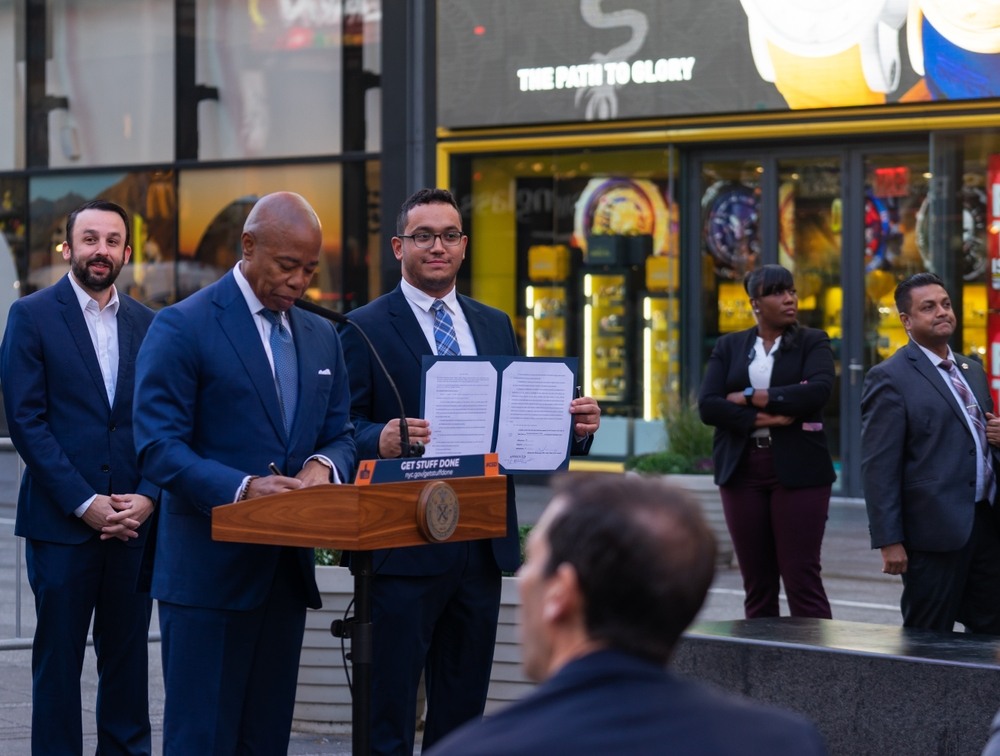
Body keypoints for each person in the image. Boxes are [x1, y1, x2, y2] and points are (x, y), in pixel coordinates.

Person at [340, 187, 602, 754]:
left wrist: (574, 428)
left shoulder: (494, 323)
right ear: (398, 247)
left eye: (450, 235)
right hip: (403, 546)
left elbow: (516, 426)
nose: (438, 246)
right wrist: (377, 438)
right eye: (424, 236)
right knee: (386, 715)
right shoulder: (362, 328)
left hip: (480, 544)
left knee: (463, 718)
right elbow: (342, 427)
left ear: (465, 246)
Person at [133, 191, 356, 753]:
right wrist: (244, 489)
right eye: (287, 267)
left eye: (309, 269)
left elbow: (342, 432)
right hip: (208, 575)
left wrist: (322, 466)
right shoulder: (182, 326)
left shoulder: (321, 333)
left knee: (266, 738)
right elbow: (158, 446)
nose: (299, 282)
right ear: (249, 246)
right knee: (202, 738)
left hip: (282, 574)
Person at [428, 473, 828, 755]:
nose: (523, 576)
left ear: (561, 593)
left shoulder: (480, 748)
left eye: (531, 560)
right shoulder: (784, 742)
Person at [0, 199, 158, 754]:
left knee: (128, 657)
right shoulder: (32, 315)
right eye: (89, 239)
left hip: (134, 525)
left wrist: (149, 498)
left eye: (112, 241)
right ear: (68, 247)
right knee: (58, 660)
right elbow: (26, 421)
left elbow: (164, 423)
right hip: (62, 524)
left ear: (127, 253)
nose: (101, 250)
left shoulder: (151, 324)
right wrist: (84, 501)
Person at [861, 271, 1000, 633]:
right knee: (928, 638)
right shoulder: (889, 377)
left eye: (946, 304)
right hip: (933, 533)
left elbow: (975, 443)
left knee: (990, 632)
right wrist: (889, 540)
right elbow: (879, 467)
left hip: (986, 523)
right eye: (928, 307)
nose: (942, 312)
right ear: (906, 321)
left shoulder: (972, 370)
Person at [698, 263, 835, 619]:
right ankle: (761, 668)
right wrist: (768, 416)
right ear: (755, 303)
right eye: (777, 292)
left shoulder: (813, 341)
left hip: (799, 468)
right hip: (742, 469)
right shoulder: (730, 346)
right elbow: (709, 405)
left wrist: (746, 396)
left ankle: (823, 668)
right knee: (757, 583)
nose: (789, 299)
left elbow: (816, 393)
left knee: (801, 576)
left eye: (791, 291)